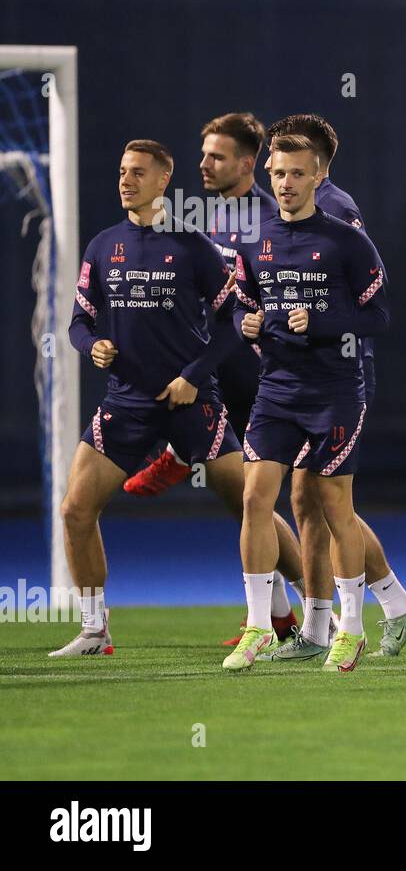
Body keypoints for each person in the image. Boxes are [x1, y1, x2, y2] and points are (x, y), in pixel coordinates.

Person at [50, 139, 302, 656]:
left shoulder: (190, 247)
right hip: (126, 403)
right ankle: (96, 631)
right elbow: (78, 322)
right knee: (75, 510)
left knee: (253, 506)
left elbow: (237, 321)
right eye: (122, 171)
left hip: (193, 405)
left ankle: (324, 613)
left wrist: (193, 375)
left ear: (163, 181)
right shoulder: (103, 247)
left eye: (138, 172)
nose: (126, 180)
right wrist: (90, 344)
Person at [225, 134, 390, 672]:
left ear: (318, 176)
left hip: (334, 392)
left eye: (297, 174)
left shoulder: (346, 241)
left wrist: (323, 323)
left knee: (334, 507)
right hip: (276, 390)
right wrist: (245, 325)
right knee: (254, 498)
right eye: (278, 174)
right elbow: (242, 306)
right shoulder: (255, 241)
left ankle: (352, 630)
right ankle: (257, 627)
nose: (286, 184)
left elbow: (377, 316)